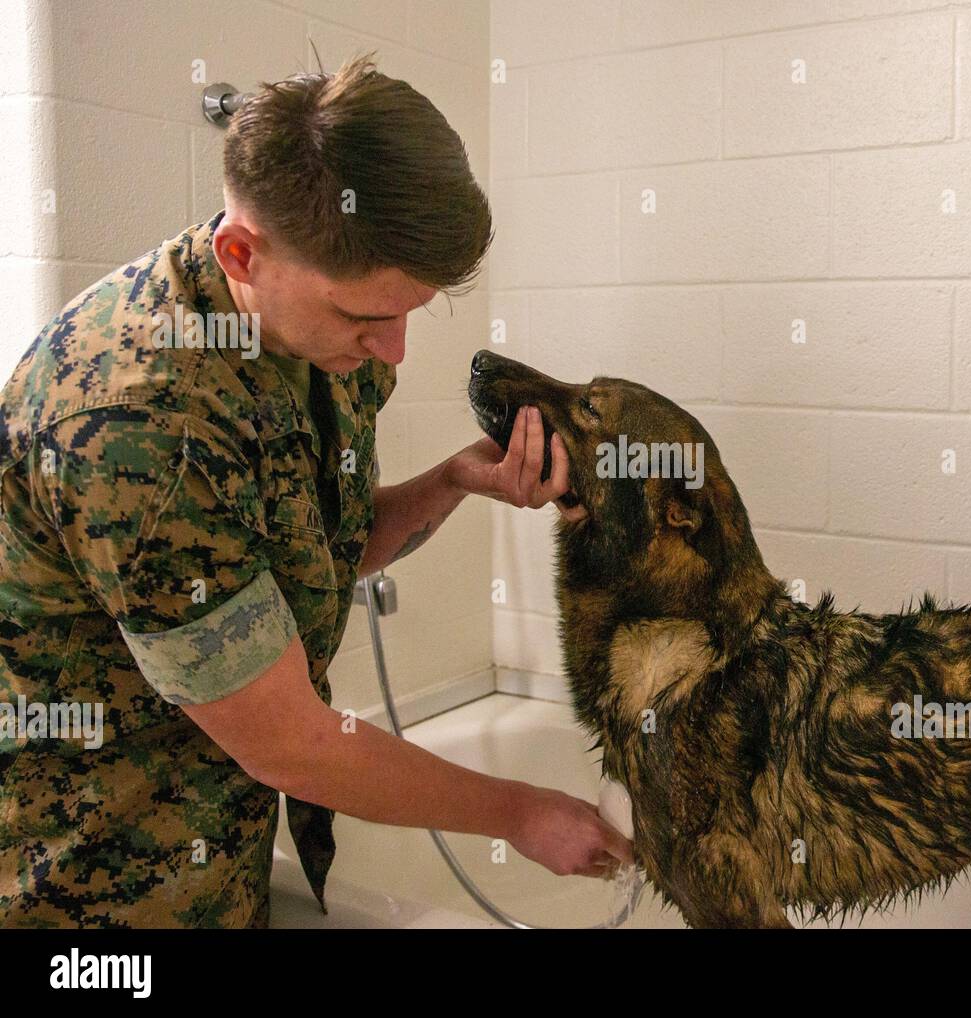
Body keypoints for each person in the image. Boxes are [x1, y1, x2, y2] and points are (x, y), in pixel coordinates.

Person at [0, 53, 632, 928]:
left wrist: (453, 481)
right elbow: (292, 745)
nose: (397, 352)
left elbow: (310, 551)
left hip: (221, 855)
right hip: (90, 888)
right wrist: (519, 813)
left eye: (411, 312)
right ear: (240, 253)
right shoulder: (136, 424)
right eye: (367, 318)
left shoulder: (315, 344)